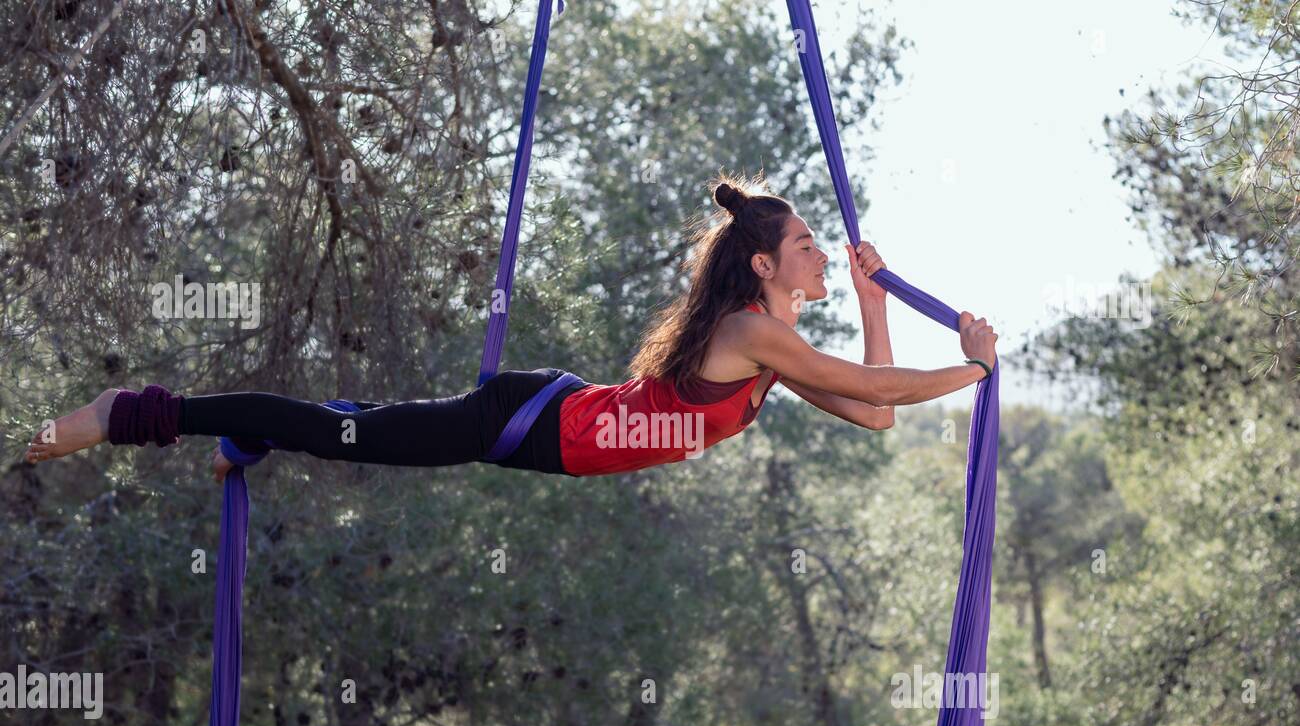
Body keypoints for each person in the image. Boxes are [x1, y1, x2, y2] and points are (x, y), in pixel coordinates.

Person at [24, 176, 997, 479]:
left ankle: (250, 430)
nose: (824, 258)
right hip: (523, 421)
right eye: (810, 248)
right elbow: (878, 391)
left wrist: (875, 306)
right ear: (762, 265)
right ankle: (132, 411)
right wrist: (975, 372)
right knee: (343, 434)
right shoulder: (752, 334)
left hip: (556, 418)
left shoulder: (771, 355)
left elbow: (874, 415)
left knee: (349, 426)